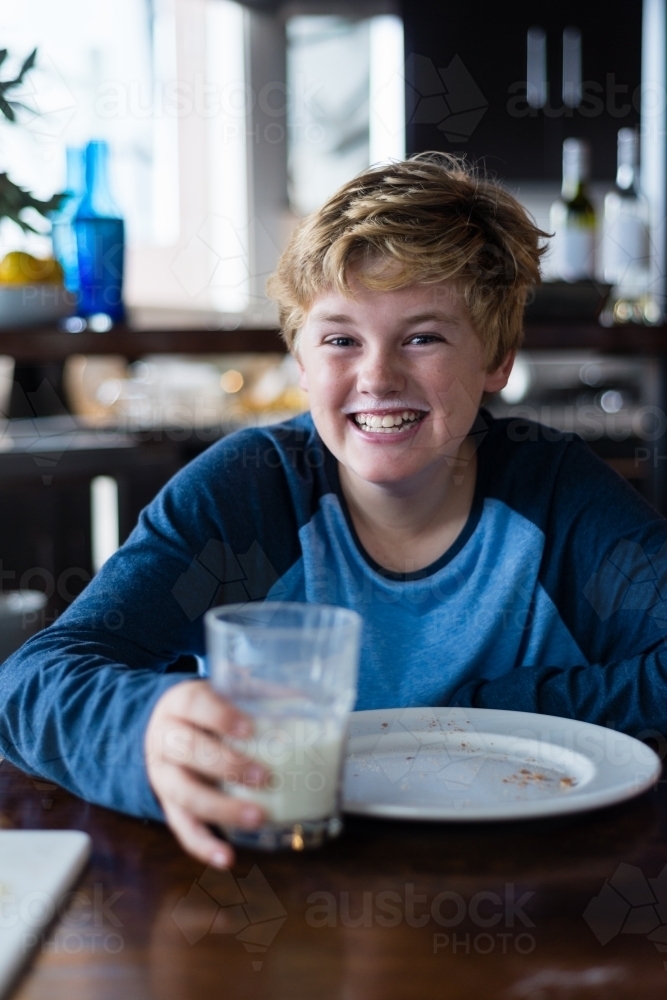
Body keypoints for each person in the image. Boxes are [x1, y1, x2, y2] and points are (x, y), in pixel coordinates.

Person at [1, 154, 666, 868]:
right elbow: (31, 685)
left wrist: (498, 706)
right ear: (300, 359)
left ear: (497, 357)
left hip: (526, 889)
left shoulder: (555, 496)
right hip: (268, 884)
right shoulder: (246, 494)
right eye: (340, 339)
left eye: (423, 337)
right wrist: (142, 727)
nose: (377, 376)